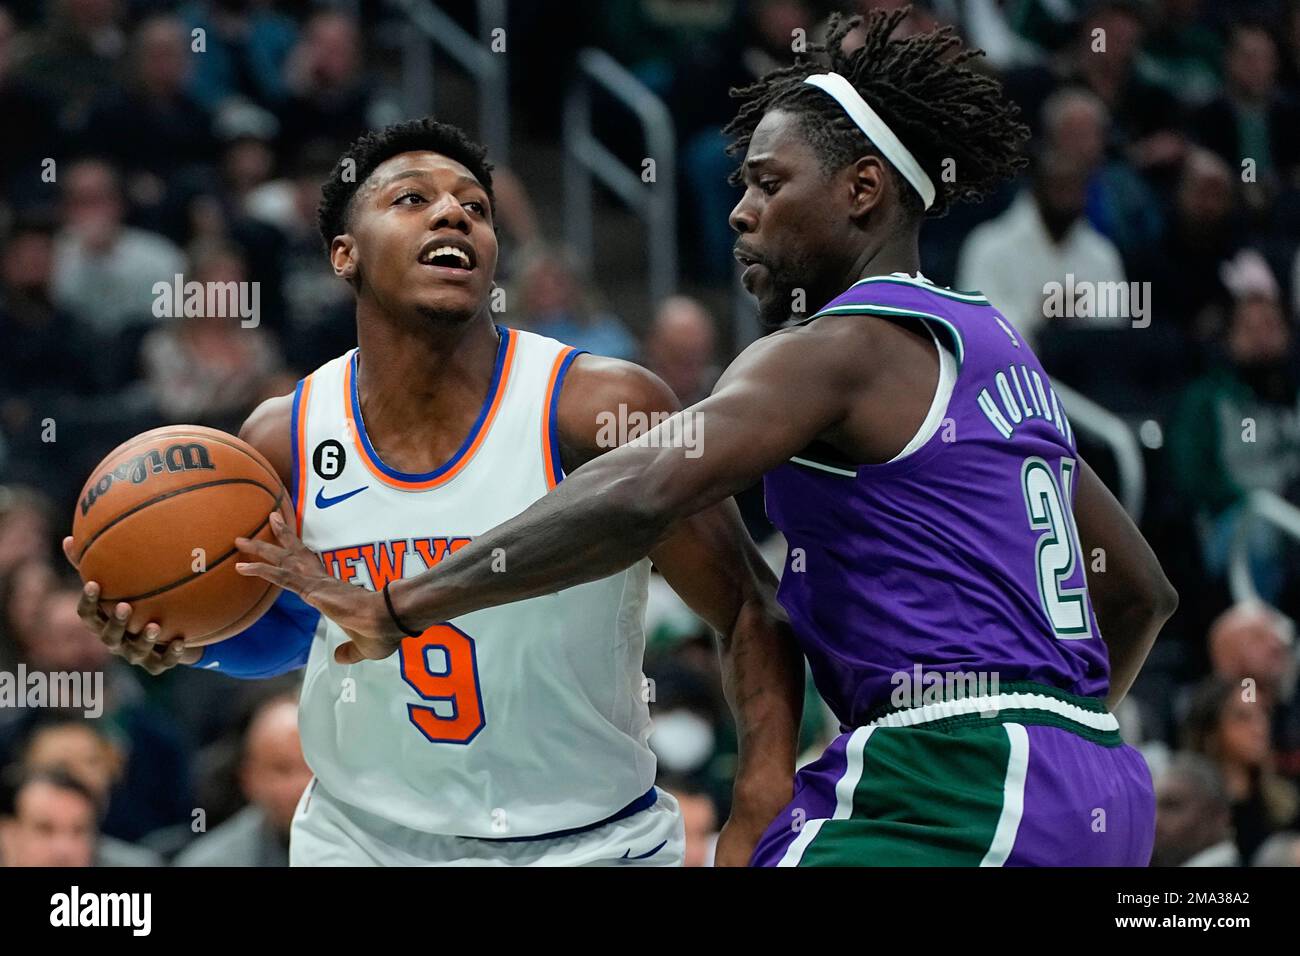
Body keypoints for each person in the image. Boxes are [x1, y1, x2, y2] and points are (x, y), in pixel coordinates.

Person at [234, 11, 1177, 867]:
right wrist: (1065, 732)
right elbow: (1141, 592)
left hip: (957, 776)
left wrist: (406, 604)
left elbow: (644, 492)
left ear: (861, 190)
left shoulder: (835, 346)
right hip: (1091, 778)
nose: (739, 210)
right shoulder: (992, 354)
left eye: (769, 183)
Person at [66, 118, 801, 867]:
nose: (454, 214)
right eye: (411, 199)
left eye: (475, 208)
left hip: (587, 842)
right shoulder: (281, 436)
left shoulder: (596, 407)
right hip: (361, 841)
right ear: (343, 255)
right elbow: (298, 635)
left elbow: (747, 606)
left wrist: (763, 802)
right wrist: (183, 636)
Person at [174, 694, 311, 866]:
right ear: (249, 778)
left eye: (315, 768)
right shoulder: (211, 863)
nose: (303, 785)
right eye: (282, 770)